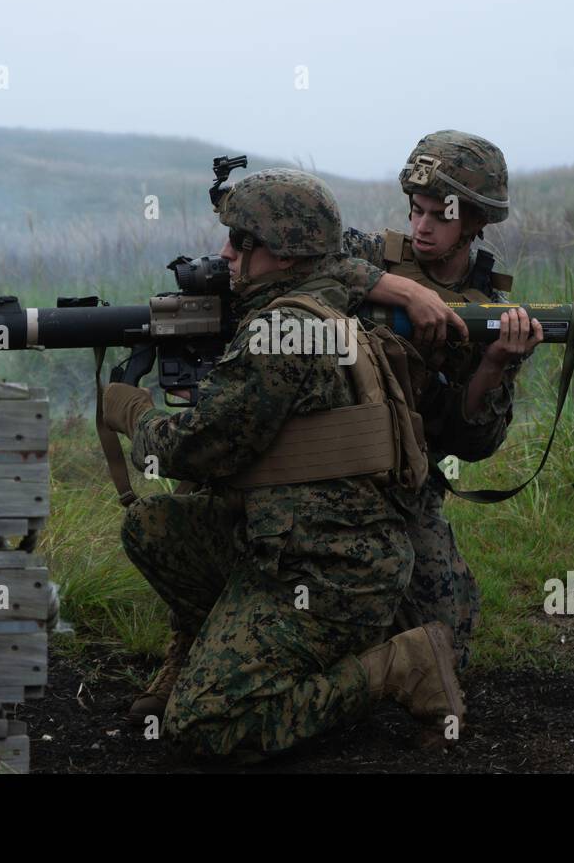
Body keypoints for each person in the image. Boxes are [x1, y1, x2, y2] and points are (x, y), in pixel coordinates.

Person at [102, 167, 464, 759]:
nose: (225, 255)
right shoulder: (318, 307)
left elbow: (194, 449)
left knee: (206, 725)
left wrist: (135, 413)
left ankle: (401, 665)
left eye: (241, 241)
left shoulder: (282, 332)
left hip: (330, 574)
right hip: (292, 546)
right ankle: (216, 650)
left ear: (283, 253)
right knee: (154, 529)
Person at [341, 130, 542, 668]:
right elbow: (308, 265)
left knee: (443, 643)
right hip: (332, 458)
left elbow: (470, 442)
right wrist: (405, 291)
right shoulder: (365, 256)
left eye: (441, 215)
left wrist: (496, 364)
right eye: (416, 210)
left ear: (476, 222)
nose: (422, 227)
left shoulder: (493, 311)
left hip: (405, 477)